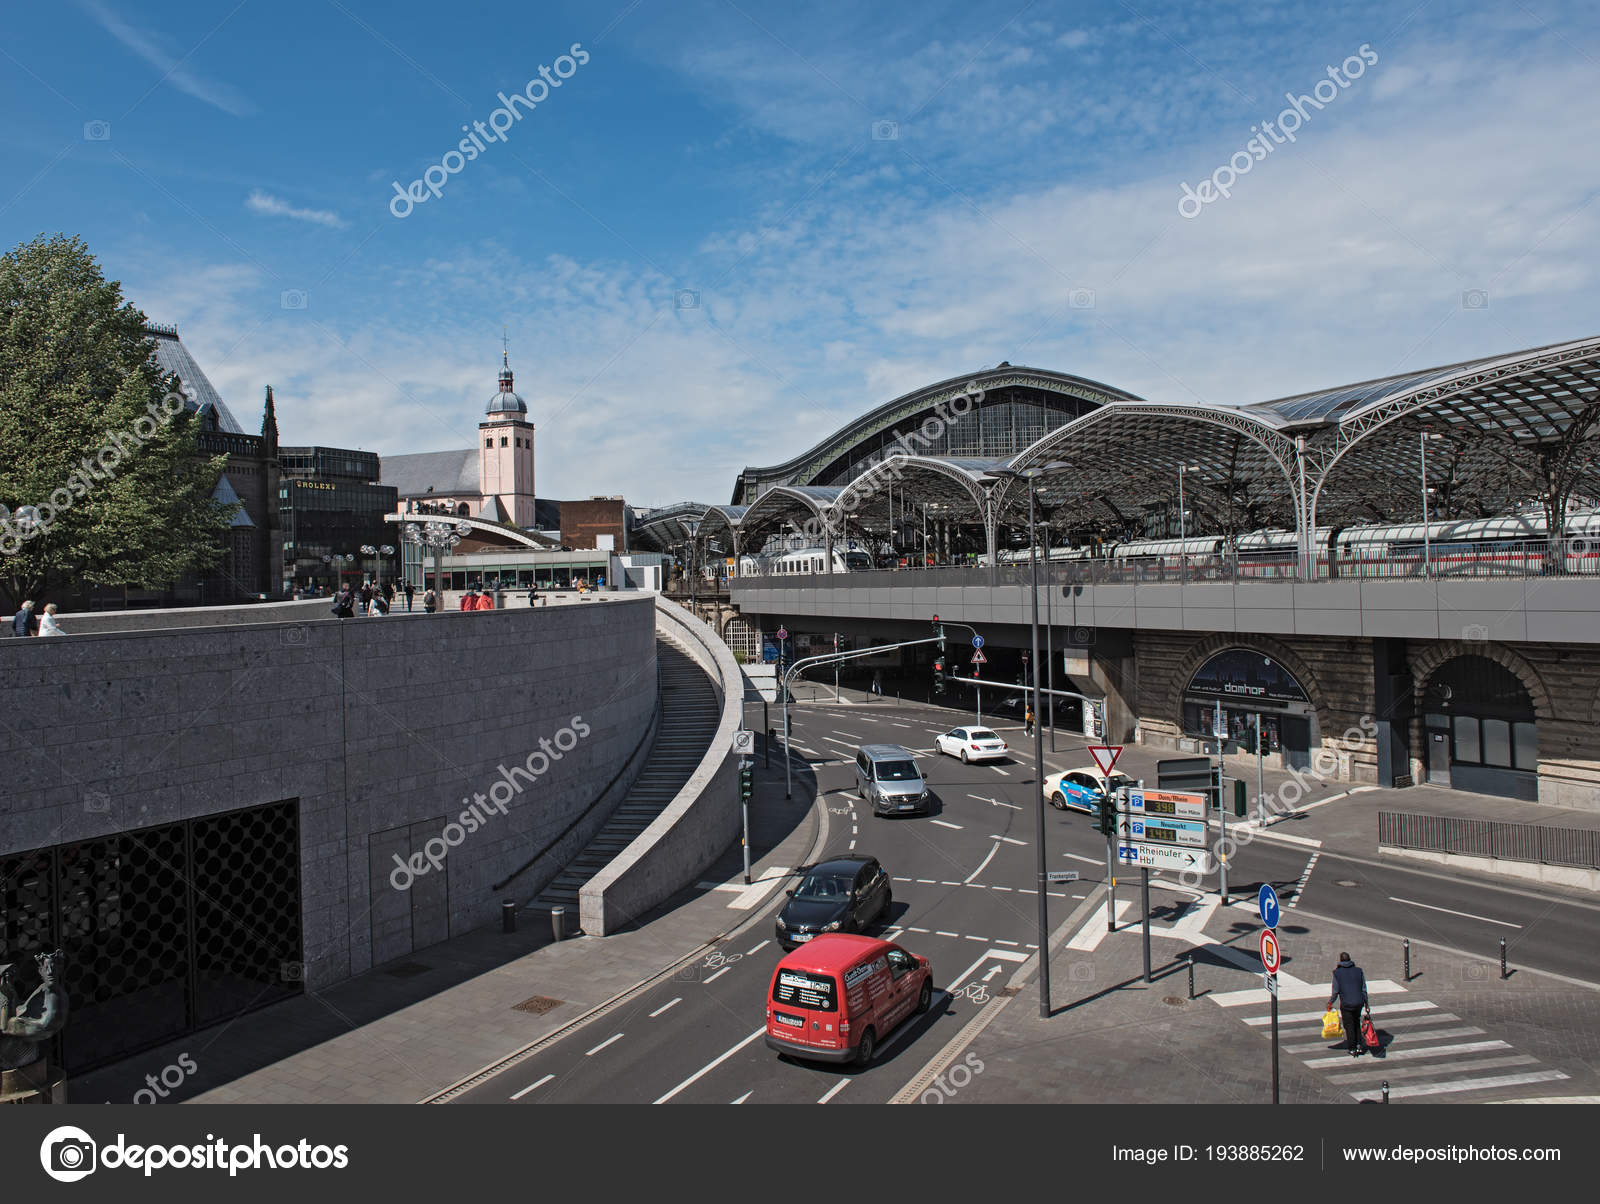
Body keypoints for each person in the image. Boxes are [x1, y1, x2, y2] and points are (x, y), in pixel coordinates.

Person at [1328, 951, 1369, 1057]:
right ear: (1350, 960)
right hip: (1358, 1002)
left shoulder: (1337, 973)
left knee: (1349, 1025)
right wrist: (1366, 1003)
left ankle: (1352, 1048)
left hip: (1346, 1004)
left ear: (1340, 961)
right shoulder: (1359, 971)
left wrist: (1330, 1002)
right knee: (1356, 1022)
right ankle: (1359, 1044)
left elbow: (1335, 991)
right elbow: (1363, 989)